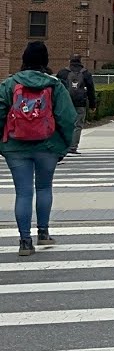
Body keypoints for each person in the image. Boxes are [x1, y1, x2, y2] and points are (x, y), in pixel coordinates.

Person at [0, 42, 76, 256]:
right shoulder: (54, 85)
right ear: (45, 61)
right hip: (48, 145)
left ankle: (25, 242)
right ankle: (43, 233)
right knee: (44, 188)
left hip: (15, 147)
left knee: (23, 193)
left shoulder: (9, 84)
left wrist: (2, 143)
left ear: (24, 59)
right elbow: (68, 118)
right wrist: (63, 145)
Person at [56, 54, 96, 155]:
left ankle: (64, 145)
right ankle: (73, 147)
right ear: (80, 61)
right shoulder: (86, 73)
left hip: (65, 103)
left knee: (64, 124)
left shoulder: (63, 73)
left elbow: (56, 88)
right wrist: (92, 104)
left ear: (70, 60)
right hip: (80, 103)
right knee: (78, 125)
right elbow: (91, 90)